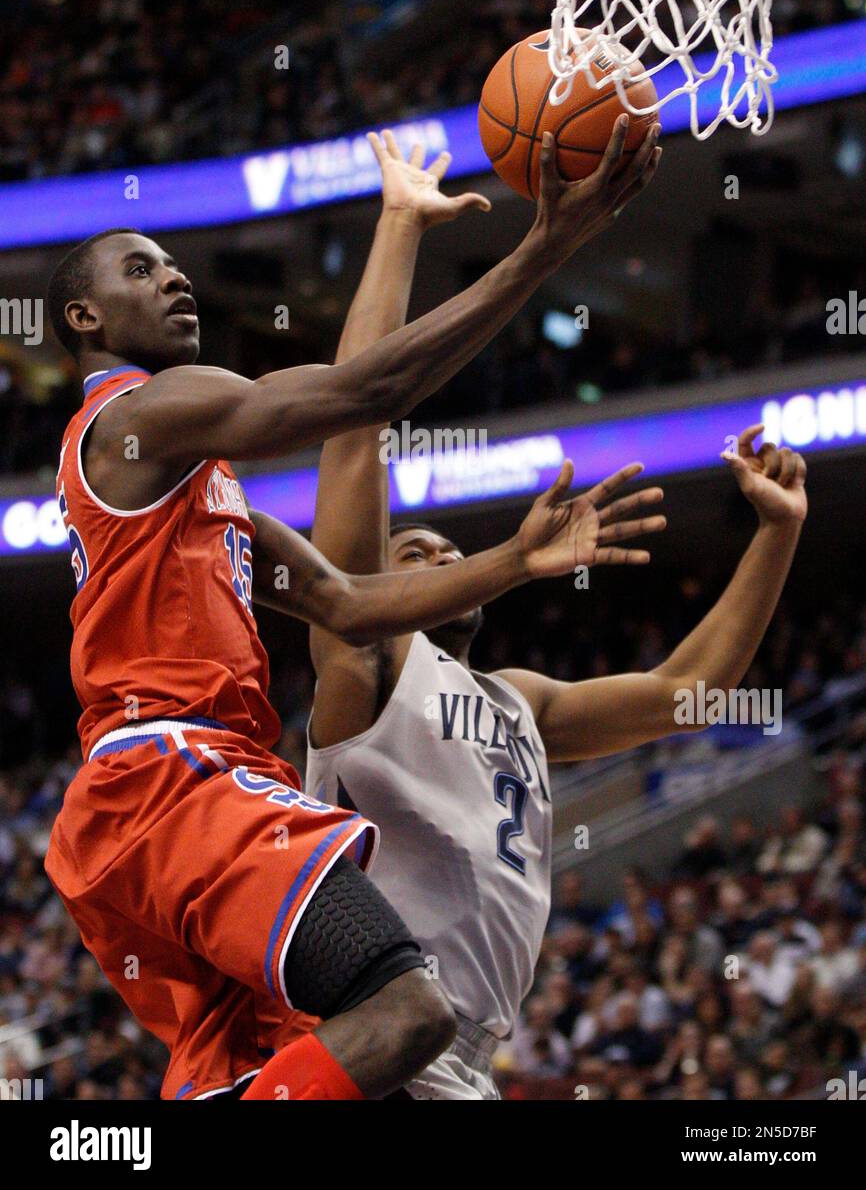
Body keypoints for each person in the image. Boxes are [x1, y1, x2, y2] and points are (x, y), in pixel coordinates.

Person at [42, 119, 660, 1102]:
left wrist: (509, 560)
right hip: (173, 776)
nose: (174, 279)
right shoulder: (137, 412)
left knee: (273, 1061)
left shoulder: (191, 477)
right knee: (408, 1010)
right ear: (81, 316)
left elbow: (342, 597)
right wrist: (543, 248)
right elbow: (359, 394)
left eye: (173, 266)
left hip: (165, 794)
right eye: (140, 266)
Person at [305, 133, 809, 1098]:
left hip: (462, 1057)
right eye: (415, 555)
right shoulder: (360, 667)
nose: (444, 557)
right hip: (375, 1041)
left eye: (453, 550)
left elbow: (688, 694)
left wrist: (775, 534)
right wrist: (399, 227)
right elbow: (352, 427)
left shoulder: (519, 702)